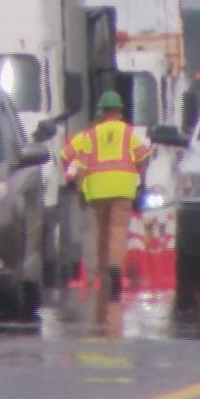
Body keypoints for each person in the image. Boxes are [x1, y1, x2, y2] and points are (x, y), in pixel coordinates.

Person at [60, 91, 153, 303]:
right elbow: (143, 157)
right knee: (118, 231)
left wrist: (79, 188)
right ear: (119, 111)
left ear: (101, 111)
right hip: (123, 189)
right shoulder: (128, 133)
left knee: (100, 233)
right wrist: (141, 181)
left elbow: (72, 159)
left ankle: (102, 277)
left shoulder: (90, 135)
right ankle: (115, 271)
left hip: (97, 191)